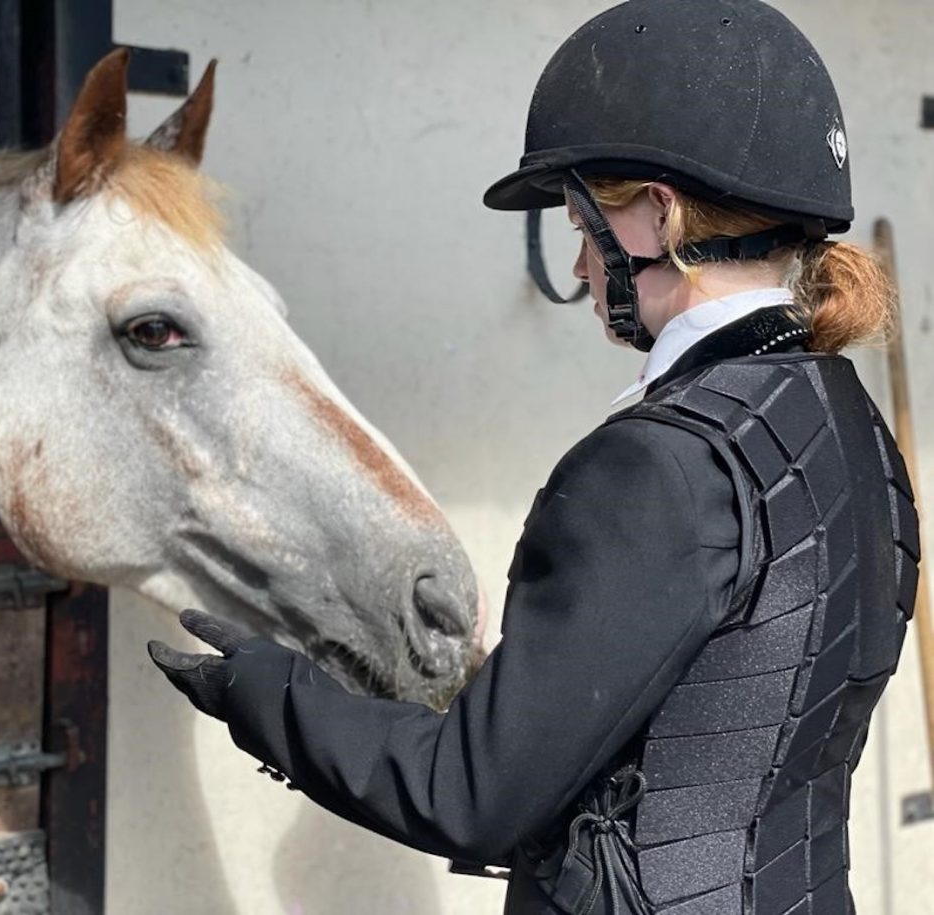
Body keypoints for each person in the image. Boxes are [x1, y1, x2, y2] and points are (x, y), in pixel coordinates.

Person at [148, 1, 920, 911]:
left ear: (660, 220)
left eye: (585, 233)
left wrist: (267, 693)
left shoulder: (656, 468)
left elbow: (472, 793)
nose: (586, 271)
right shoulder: (851, 419)